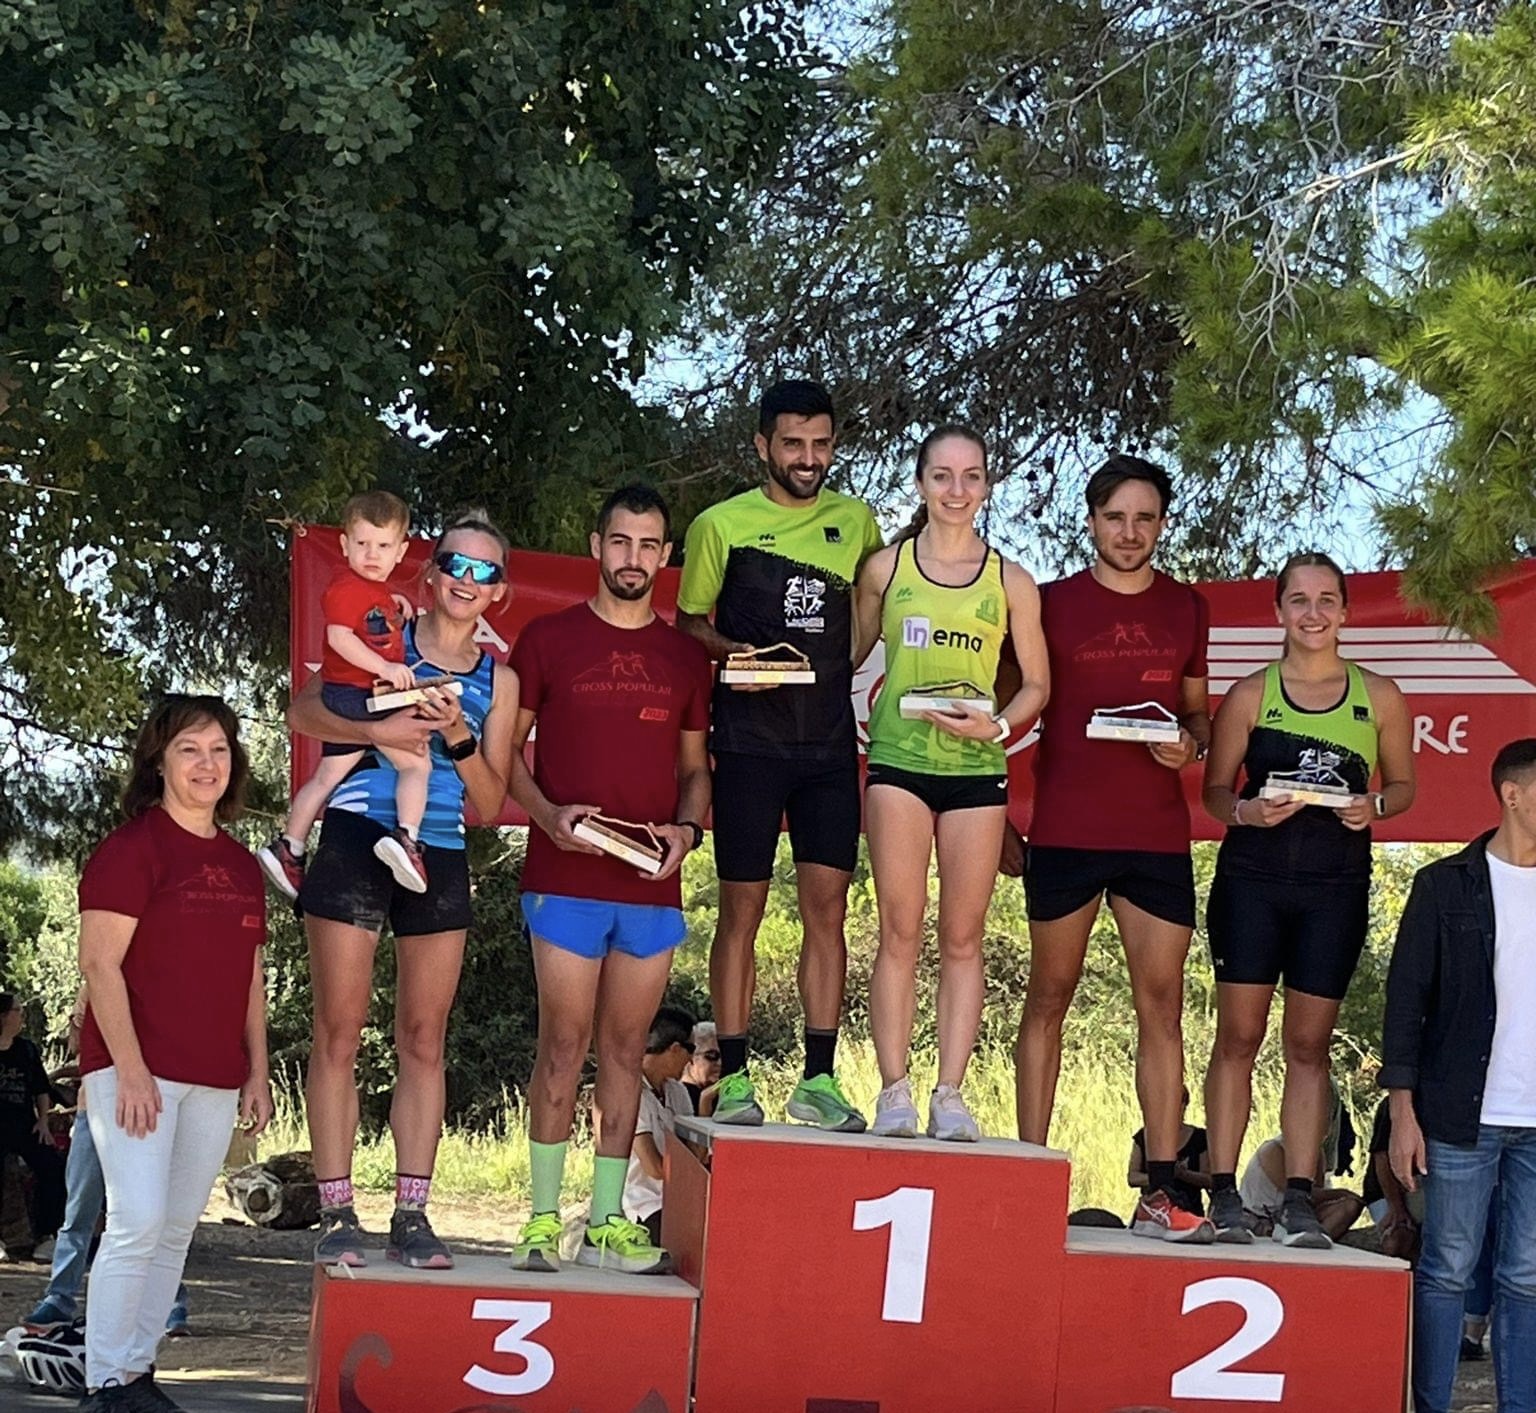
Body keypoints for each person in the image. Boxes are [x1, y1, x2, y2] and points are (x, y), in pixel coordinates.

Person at [288, 509, 518, 1270]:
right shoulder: (384, 626)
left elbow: (490, 799)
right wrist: (378, 734)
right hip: (355, 833)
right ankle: (336, 1209)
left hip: (439, 847)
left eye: (484, 572)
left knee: (424, 1039)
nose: (466, 580)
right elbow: (303, 709)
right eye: (456, 563)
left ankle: (412, 1214)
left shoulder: (499, 677)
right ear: (431, 568)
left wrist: (455, 735)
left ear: (500, 592)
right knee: (339, 1031)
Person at [508, 485, 711, 1276]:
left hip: (650, 886)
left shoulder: (684, 657)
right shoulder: (548, 638)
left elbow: (695, 771)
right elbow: (508, 757)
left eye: (649, 545)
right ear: (597, 545)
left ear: (666, 557)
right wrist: (549, 814)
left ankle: (604, 1222)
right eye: (620, 542)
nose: (634, 558)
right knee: (563, 1045)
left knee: (626, 1049)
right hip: (564, 875)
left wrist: (686, 833)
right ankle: (537, 1219)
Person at [1013, 454, 1213, 1241]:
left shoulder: (1187, 607)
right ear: (1090, 520)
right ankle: (1030, 1175)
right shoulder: (1051, 602)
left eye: (1146, 519)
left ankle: (1161, 1189)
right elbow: (1003, 708)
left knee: (1161, 1008)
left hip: (1155, 835)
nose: (1131, 533)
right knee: (1048, 998)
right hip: (1064, 828)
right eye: (1116, 517)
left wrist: (1188, 748)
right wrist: (997, 814)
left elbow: (1196, 717)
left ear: (1161, 525)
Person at [676, 379, 883, 1131]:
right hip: (748, 744)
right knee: (743, 912)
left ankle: (818, 1080)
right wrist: (739, 653)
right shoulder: (719, 524)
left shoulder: (857, 522)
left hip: (827, 747)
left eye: (821, 444)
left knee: (827, 912)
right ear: (762, 445)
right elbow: (689, 623)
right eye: (792, 444)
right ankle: (733, 1078)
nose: (808, 458)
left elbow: (870, 612)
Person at [1201, 552, 1415, 1247]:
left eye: (1327, 600)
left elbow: (1405, 786)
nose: (1313, 613)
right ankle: (1225, 1191)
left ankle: (1300, 1195)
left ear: (1347, 611)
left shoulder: (1378, 694)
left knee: (1309, 1045)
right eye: (1299, 600)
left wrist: (1374, 803)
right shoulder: (1249, 693)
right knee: (1237, 1038)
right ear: (1279, 612)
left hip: (1335, 889)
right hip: (1252, 884)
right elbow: (1214, 792)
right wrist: (1245, 813)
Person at [75, 694, 273, 1411]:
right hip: (136, 1071)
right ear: (158, 759)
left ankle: (135, 1372)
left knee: (177, 1228)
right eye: (190, 748)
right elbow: (100, 966)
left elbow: (250, 975)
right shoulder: (131, 850)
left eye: (219, 749)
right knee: (137, 1220)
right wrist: (128, 1069)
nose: (206, 763)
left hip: (216, 1077)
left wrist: (259, 1068)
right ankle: (102, 1381)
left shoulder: (245, 865)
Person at [853, 425, 1048, 1140]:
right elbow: (846, 655)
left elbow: (1036, 685)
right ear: (920, 482)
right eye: (942, 476)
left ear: (988, 485)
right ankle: (895, 1089)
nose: (956, 491)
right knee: (898, 929)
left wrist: (993, 727)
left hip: (976, 771)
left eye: (970, 477)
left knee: (964, 937)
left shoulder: (1011, 581)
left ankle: (950, 1093)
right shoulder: (884, 569)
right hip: (899, 762)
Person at [1382, 737, 1536, 1413]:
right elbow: (1405, 1003)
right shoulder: (1445, 884)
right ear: (1513, 794)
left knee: (1527, 1277)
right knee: (1446, 1269)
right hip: (1459, 1112)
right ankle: (1431, 1404)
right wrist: (1403, 1113)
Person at [259, 491, 433, 898]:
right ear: (344, 545)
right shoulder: (347, 588)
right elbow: (339, 637)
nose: (372, 554)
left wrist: (394, 601)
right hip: (359, 696)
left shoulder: (368, 588)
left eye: (383, 546)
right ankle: (406, 839)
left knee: (326, 777)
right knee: (417, 764)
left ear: (401, 551)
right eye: (362, 544)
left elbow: (368, 612)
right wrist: (386, 668)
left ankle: (289, 847)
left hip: (353, 694)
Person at [24, 986, 188, 1335]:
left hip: (143, 1110)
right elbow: (78, 1046)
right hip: (93, 1108)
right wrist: (79, 1018)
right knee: (79, 1209)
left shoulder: (156, 985)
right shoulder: (96, 984)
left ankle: (169, 1300)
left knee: (142, 1211)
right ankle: (59, 1297)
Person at [1236, 1086, 1364, 1242]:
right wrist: (1342, 1193)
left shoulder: (1318, 1154)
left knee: (1350, 1206)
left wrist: (1351, 1199)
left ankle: (1315, 1241)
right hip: (1262, 1218)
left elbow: (1315, 1196)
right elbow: (1301, 1192)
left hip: (1300, 1215)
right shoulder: (1273, 1150)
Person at [624, 1006, 698, 1244]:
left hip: (677, 1199)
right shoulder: (630, 1091)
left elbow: (695, 1155)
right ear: (675, 1049)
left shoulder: (677, 1092)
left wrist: (705, 1109)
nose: (691, 1060)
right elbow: (654, 1167)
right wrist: (687, 1168)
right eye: (692, 1049)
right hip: (642, 1203)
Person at [0, 993, 65, 1257]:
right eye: (19, 1011)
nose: (23, 1016)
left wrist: (43, 1121)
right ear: (4, 1016)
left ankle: (47, 1236)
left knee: (52, 1166)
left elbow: (41, 1089)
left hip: (25, 1125)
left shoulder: (27, 1050)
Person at [1128, 1087, 1209, 1218]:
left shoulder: (1199, 1138)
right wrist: (1163, 1177)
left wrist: (1184, 1174)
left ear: (1185, 1105)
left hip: (1189, 1210)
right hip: (1153, 1210)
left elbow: (1209, 1179)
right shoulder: (1143, 1136)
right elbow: (1132, 1178)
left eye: (1178, 1102)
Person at [1361, 1096, 1424, 1263]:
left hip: (1423, 1187)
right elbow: (1380, 1157)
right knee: (1398, 1237)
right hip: (1385, 1191)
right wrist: (1396, 1207)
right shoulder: (1393, 1105)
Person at [682, 1021, 721, 1114]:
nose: (720, 1063)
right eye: (712, 1055)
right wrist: (705, 1101)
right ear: (691, 1057)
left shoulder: (720, 1095)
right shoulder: (677, 1094)